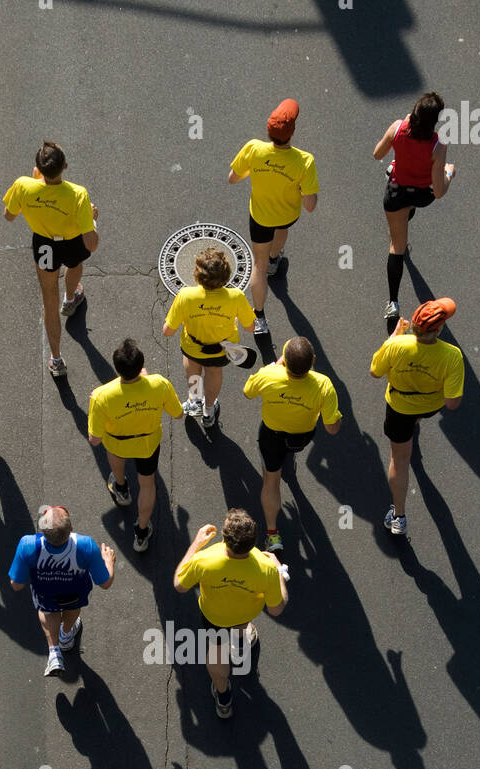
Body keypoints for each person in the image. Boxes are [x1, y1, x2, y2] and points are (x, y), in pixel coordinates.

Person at [173, 509, 287, 718]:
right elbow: (276, 609)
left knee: (217, 650)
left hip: (214, 616)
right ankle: (242, 639)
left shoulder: (204, 559)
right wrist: (279, 572)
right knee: (242, 624)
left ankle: (223, 698)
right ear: (252, 543)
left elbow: (179, 585)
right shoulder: (265, 566)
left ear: (225, 539)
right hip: (245, 613)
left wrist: (196, 544)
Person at [2, 140, 99, 379]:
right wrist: (93, 218)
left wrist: (33, 189)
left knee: (48, 299)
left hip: (45, 244)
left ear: (38, 168)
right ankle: (70, 298)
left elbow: (9, 215)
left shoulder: (23, 186)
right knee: (75, 266)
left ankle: (56, 359)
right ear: (65, 166)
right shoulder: (78, 194)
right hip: (73, 242)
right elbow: (92, 244)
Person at [369, 298, 464, 537]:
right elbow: (453, 403)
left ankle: (398, 516)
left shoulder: (397, 345)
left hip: (399, 409)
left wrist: (392, 338)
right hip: (429, 406)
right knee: (417, 418)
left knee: (400, 460)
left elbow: (375, 372)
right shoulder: (452, 356)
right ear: (439, 329)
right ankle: (416, 424)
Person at [243, 335, 342, 554]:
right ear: (313, 360)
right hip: (302, 437)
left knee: (271, 480)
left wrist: (273, 367)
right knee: (289, 451)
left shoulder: (269, 375)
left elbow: (247, 393)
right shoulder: (323, 384)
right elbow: (332, 428)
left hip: (271, 435)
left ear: (284, 360)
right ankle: (290, 458)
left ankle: (272, 535)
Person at [229, 99, 319, 335]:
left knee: (256, 267)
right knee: (281, 231)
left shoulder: (254, 149)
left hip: (259, 216)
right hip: (287, 214)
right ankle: (274, 259)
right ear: (293, 132)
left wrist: (255, 170)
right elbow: (310, 205)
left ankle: (259, 316)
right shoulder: (304, 161)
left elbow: (232, 177)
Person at [88, 339, 183, 552]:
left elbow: (95, 440)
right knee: (147, 485)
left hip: (118, 443)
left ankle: (121, 489)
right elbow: (178, 414)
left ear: (117, 368)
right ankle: (141, 533)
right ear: (141, 366)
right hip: (147, 444)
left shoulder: (102, 395)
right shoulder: (159, 384)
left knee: (115, 455)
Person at [372, 92, 456, 331]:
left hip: (396, 192)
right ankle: (407, 215)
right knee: (408, 214)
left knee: (397, 246)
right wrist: (449, 172)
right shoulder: (438, 147)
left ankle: (393, 303)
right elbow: (438, 191)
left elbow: (377, 153)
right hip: (420, 194)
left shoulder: (398, 128)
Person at [8, 505, 115, 675]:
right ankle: (66, 637)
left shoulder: (27, 545)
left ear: (42, 530)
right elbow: (105, 583)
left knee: (48, 612)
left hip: (45, 596)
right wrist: (108, 561)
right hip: (75, 595)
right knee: (73, 609)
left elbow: (16, 585)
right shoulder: (85, 545)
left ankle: (54, 654)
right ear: (70, 529)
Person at [163, 247, 256, 430]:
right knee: (214, 373)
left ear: (198, 275)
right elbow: (250, 327)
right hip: (222, 350)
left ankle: (195, 400)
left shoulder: (186, 296)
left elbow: (168, 331)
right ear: (226, 274)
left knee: (192, 366)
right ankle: (208, 410)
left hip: (192, 347)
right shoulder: (236, 297)